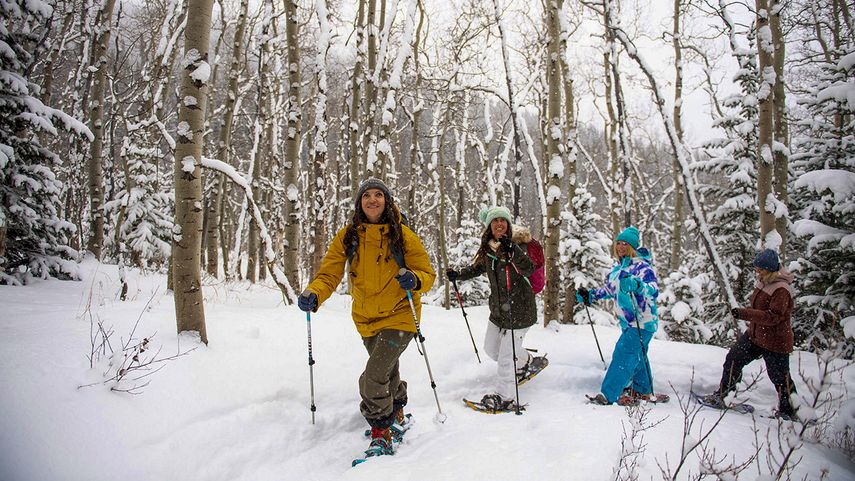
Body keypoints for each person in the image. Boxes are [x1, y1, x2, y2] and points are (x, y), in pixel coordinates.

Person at [297, 177, 436, 458]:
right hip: (366, 318)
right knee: (387, 370)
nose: (372, 200)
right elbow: (329, 274)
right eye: (366, 196)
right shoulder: (348, 236)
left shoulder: (403, 236)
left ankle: (381, 432)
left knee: (373, 377)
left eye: (378, 195)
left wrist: (414, 279)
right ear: (360, 203)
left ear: (387, 201)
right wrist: (314, 293)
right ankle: (396, 413)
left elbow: (427, 274)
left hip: (400, 316)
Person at [445, 206, 541, 411]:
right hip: (499, 311)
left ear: (508, 224)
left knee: (505, 358)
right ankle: (525, 360)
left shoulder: (517, 246)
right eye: (495, 220)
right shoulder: (490, 249)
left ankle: (506, 397)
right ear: (489, 226)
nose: (499, 223)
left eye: (503, 220)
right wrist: (458, 275)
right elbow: (477, 268)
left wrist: (513, 250)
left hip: (520, 310)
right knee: (491, 349)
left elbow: (528, 268)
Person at [700, 248, 798, 420]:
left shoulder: (781, 289)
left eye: (761, 269)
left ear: (770, 269)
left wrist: (746, 314)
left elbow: (773, 317)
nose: (757, 272)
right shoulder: (764, 282)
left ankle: (789, 411)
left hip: (775, 340)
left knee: (780, 377)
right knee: (733, 359)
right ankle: (724, 396)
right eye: (757, 269)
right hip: (756, 336)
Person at [576, 226, 660, 406]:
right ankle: (642, 390)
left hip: (643, 322)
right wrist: (590, 295)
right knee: (637, 355)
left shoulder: (642, 266)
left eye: (625, 244)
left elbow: (653, 289)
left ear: (633, 247)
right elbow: (609, 290)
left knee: (624, 353)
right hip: (628, 323)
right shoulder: (617, 268)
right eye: (619, 243)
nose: (621, 247)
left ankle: (609, 395)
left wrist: (638, 285)